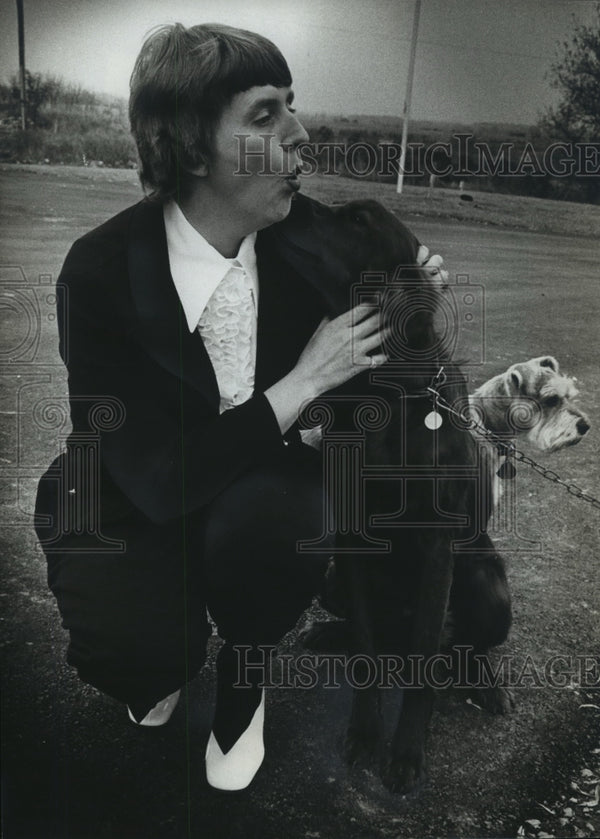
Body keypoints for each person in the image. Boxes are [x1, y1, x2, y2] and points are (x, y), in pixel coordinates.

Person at [34, 22, 441, 791]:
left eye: (293, 103)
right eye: (264, 115)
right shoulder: (100, 270)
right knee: (137, 655)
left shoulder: (303, 241)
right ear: (192, 148)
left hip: (258, 492)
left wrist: (413, 303)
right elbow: (156, 476)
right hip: (126, 492)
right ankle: (159, 655)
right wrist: (301, 383)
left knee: (285, 518)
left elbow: (398, 359)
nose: (300, 133)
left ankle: (245, 674)